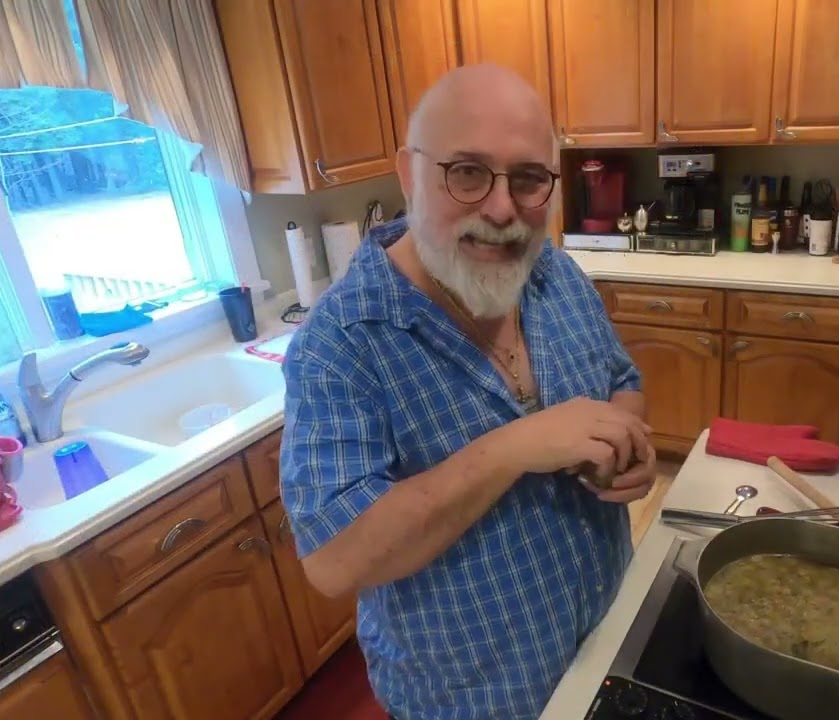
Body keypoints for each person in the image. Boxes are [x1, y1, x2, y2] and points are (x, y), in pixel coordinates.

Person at [279, 63, 656, 720]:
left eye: (530, 178)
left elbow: (622, 383)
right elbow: (334, 560)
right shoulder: (340, 342)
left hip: (605, 663)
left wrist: (628, 442)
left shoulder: (555, 273)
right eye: (467, 172)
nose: (503, 208)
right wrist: (513, 448)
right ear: (408, 174)